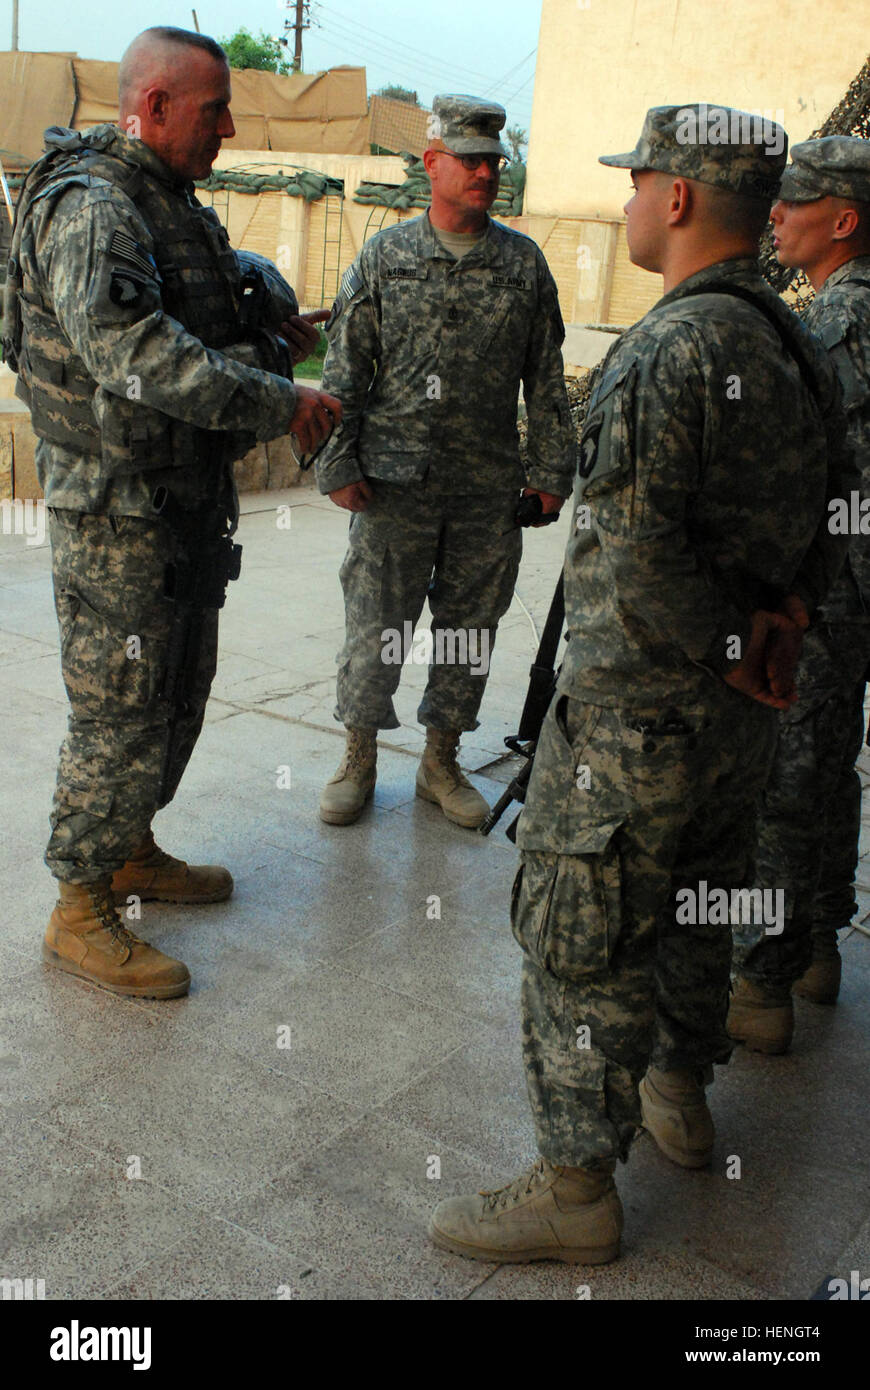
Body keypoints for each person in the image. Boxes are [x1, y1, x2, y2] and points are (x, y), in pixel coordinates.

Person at [429, 105, 852, 1264]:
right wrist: (778, 633)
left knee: (584, 940)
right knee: (698, 910)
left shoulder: (672, 348)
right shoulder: (793, 340)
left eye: (636, 183)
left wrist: (726, 647)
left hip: (636, 726)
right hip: (737, 724)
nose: (624, 201)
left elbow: (638, 566)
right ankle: (678, 1092)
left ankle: (574, 1190)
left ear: (674, 198)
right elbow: (831, 512)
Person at [3, 26, 340, 1000]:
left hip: (183, 500)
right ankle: (79, 905)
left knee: (179, 691)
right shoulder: (93, 208)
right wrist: (284, 401)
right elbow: (136, 355)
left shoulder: (167, 200)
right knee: (117, 709)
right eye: (213, 109)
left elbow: (202, 309)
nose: (229, 128)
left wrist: (273, 325)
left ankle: (129, 847)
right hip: (119, 511)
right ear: (152, 108)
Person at [314, 94, 575, 830]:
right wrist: (337, 460)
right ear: (432, 164)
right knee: (378, 623)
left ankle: (441, 761)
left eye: (494, 161)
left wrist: (551, 473)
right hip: (391, 483)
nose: (485, 172)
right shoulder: (385, 255)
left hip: (485, 489)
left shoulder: (523, 264)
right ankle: (358, 757)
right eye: (470, 159)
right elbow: (344, 368)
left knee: (468, 628)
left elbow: (546, 380)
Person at [729, 136, 870, 1052]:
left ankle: (760, 982)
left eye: (796, 202)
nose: (773, 216)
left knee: (788, 779)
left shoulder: (832, 324)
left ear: (845, 221)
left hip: (831, 589)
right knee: (828, 763)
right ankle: (819, 942)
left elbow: (812, 474)